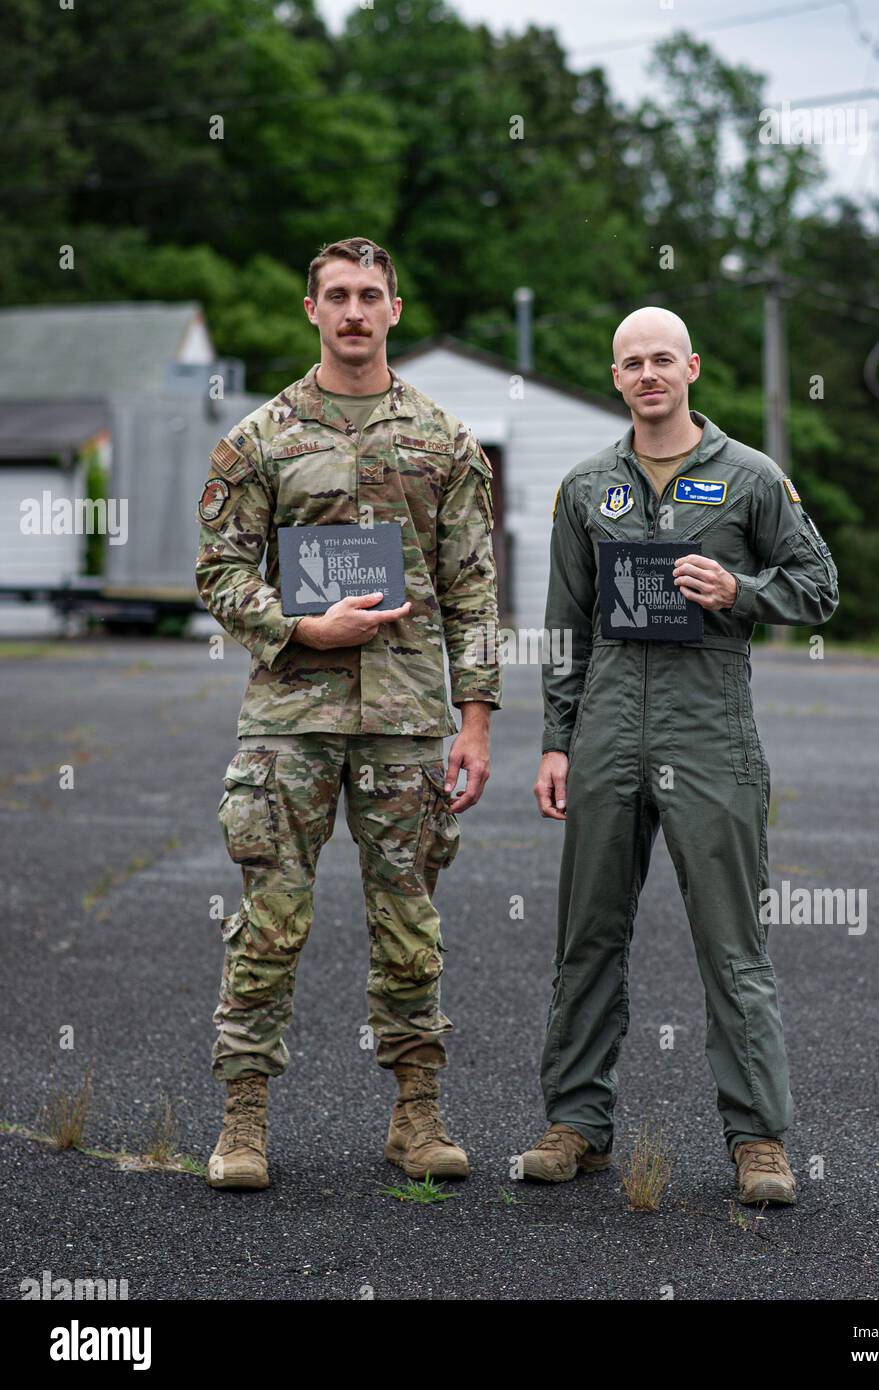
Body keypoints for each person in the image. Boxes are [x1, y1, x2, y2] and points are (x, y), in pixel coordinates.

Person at [196, 236, 499, 1190]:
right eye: (338, 296)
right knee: (270, 921)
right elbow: (218, 569)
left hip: (407, 719)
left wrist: (478, 721)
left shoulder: (446, 442)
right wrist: (296, 628)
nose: (356, 311)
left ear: (395, 311)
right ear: (312, 310)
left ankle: (418, 1116)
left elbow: (474, 590)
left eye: (372, 295)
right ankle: (243, 1123)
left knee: (409, 922)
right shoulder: (261, 438)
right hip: (291, 714)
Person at [522, 306, 838, 1204]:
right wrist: (556, 741)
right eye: (632, 362)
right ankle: (575, 1124)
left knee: (733, 945)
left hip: (710, 735)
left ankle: (759, 1140)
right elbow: (564, 627)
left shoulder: (751, 477)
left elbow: (820, 586)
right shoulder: (587, 487)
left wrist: (741, 589)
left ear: (691, 366)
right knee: (586, 937)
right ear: (616, 377)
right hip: (608, 735)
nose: (648, 373)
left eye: (663, 358)